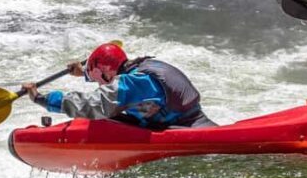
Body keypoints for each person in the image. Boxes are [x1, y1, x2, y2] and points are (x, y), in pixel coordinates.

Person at [21, 42, 217, 128]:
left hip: (182, 128)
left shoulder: (131, 83)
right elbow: (114, 82)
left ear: (107, 72)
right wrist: (85, 73)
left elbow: (89, 105)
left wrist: (41, 98)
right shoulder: (143, 67)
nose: (98, 84)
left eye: (98, 78)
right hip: (188, 120)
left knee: (101, 117)